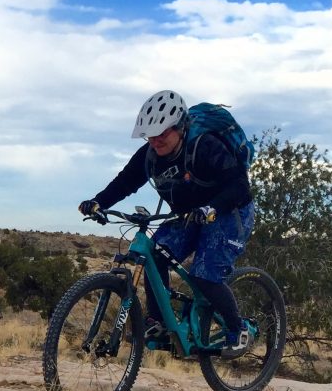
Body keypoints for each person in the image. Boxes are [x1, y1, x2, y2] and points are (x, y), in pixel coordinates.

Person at [78, 89, 255, 356]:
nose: (156, 140)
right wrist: (99, 202)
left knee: (205, 274)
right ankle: (158, 324)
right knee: (154, 257)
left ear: (180, 127)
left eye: (162, 134)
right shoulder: (149, 155)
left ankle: (237, 329)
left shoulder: (204, 146)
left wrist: (213, 208)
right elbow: (125, 182)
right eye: (150, 135)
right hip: (188, 214)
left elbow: (241, 186)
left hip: (230, 212)